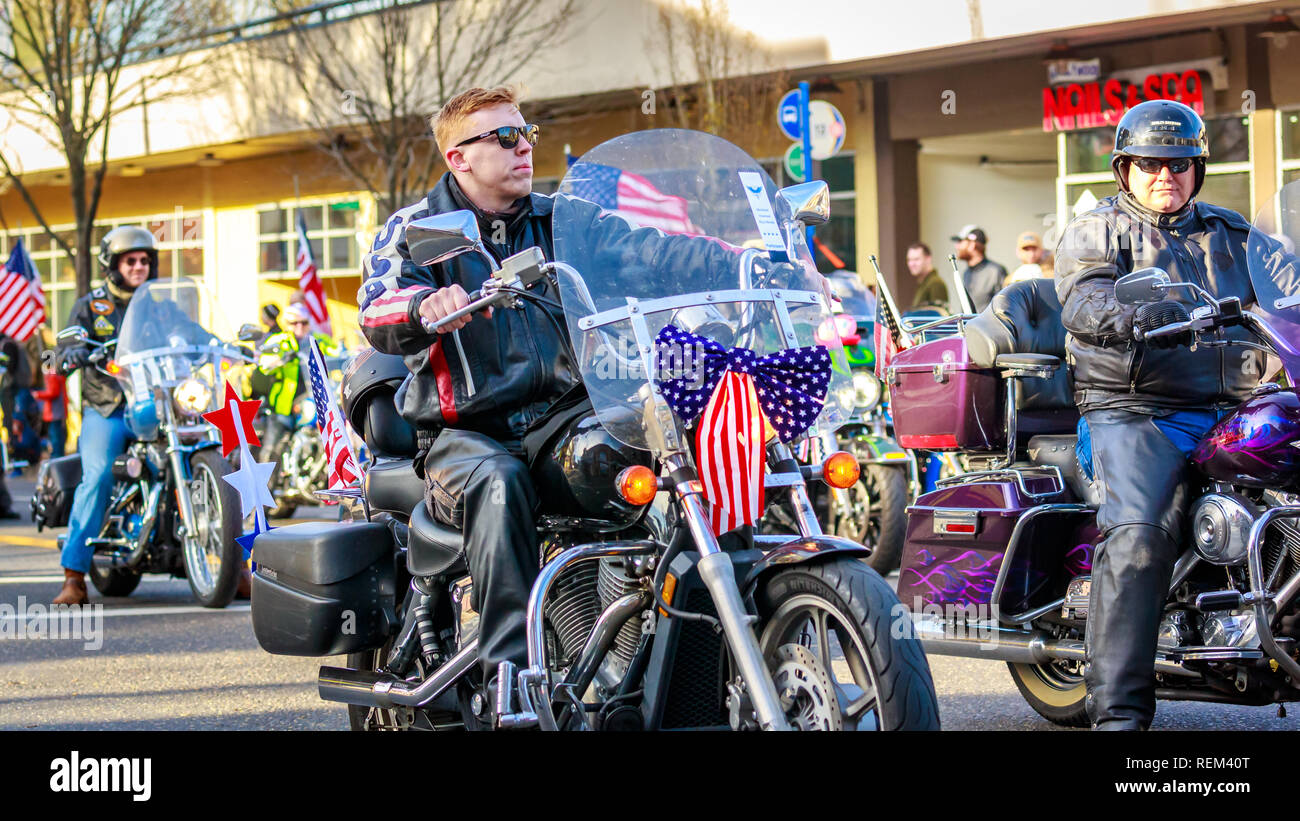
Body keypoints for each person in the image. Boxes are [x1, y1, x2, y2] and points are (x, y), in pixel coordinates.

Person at [357, 86, 763, 707]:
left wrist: (743, 265)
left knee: (673, 454)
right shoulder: (417, 231)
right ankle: (510, 684)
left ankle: (691, 666)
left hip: (565, 417)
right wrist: (420, 303)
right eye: (503, 137)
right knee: (500, 482)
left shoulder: (562, 221)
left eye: (525, 132)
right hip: (468, 434)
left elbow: (652, 249)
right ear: (458, 159)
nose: (523, 147)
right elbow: (377, 305)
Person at [1054, 99, 1277, 730]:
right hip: (1133, 408)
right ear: (1125, 169)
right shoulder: (1098, 230)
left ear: (1197, 169)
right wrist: (1136, 315)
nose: (1165, 175)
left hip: (1230, 403)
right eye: (1151, 163)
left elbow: (1285, 285)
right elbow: (1084, 298)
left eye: (1179, 163)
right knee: (1141, 536)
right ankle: (1119, 717)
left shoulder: (1231, 232)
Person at [255, 302, 339, 469]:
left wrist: (348, 355)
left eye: (304, 322)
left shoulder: (319, 339)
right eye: (295, 323)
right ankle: (265, 487)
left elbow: (336, 353)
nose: (300, 326)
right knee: (272, 448)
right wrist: (276, 360)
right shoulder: (279, 340)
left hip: (313, 400)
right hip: (284, 404)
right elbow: (263, 363)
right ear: (287, 324)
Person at [951, 224, 1007, 312]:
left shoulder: (996, 271)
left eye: (960, 241)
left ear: (972, 245)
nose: (957, 246)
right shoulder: (966, 273)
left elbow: (1004, 309)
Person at [32, 360, 66, 458]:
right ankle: (58, 455)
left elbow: (52, 392)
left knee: (55, 436)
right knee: (57, 434)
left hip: (54, 412)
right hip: (57, 411)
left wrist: (38, 395)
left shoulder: (52, 375)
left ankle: (57, 457)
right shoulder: (57, 374)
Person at [906, 242, 949, 312]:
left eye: (916, 259)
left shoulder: (936, 283)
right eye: (909, 260)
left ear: (928, 259)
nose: (911, 264)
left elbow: (939, 315)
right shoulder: (923, 283)